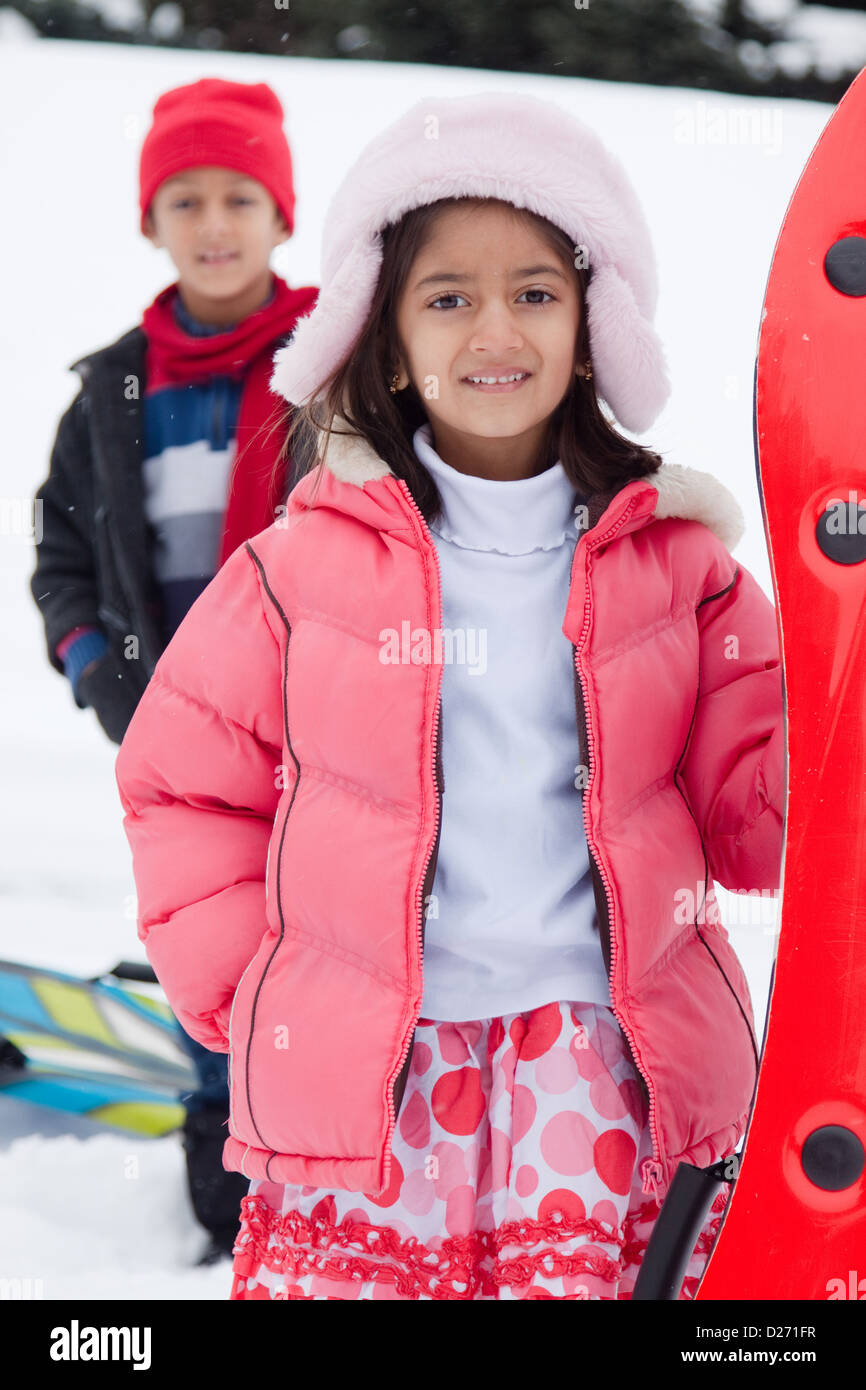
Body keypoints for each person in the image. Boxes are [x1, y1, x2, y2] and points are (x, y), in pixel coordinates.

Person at [114, 91, 785, 1300]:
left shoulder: (675, 564)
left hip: (597, 1069)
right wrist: (246, 989)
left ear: (590, 326)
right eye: (448, 296)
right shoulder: (299, 566)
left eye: (534, 291)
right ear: (384, 334)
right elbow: (181, 778)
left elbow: (760, 819)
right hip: (375, 1081)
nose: (495, 328)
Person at [29, 76, 318, 1263]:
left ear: (280, 218)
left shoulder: (331, 365)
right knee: (208, 923)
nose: (213, 224)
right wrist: (95, 663)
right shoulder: (112, 392)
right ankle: (222, 1118)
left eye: (238, 197)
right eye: (186, 199)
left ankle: (331, 1121)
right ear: (152, 222)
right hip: (172, 729)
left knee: (326, 921)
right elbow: (60, 556)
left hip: (316, 719)